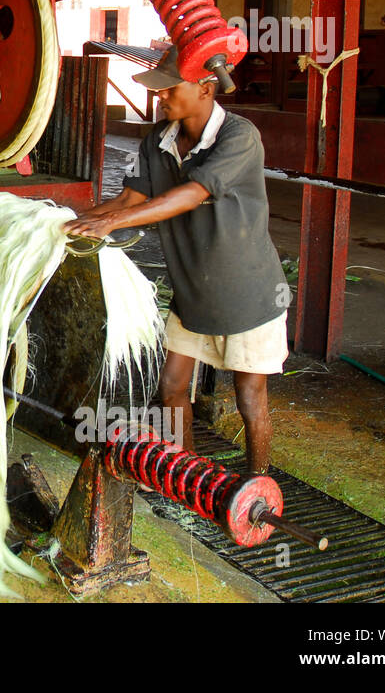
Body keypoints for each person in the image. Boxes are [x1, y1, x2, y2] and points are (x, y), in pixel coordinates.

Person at [64, 48, 288, 474]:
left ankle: (258, 485)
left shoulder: (239, 137)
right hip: (191, 291)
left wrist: (113, 222)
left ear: (205, 89)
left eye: (169, 88)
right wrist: (67, 222)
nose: (160, 97)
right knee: (170, 386)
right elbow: (132, 197)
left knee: (249, 397)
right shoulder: (157, 140)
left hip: (247, 293)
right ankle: (190, 476)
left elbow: (191, 194)